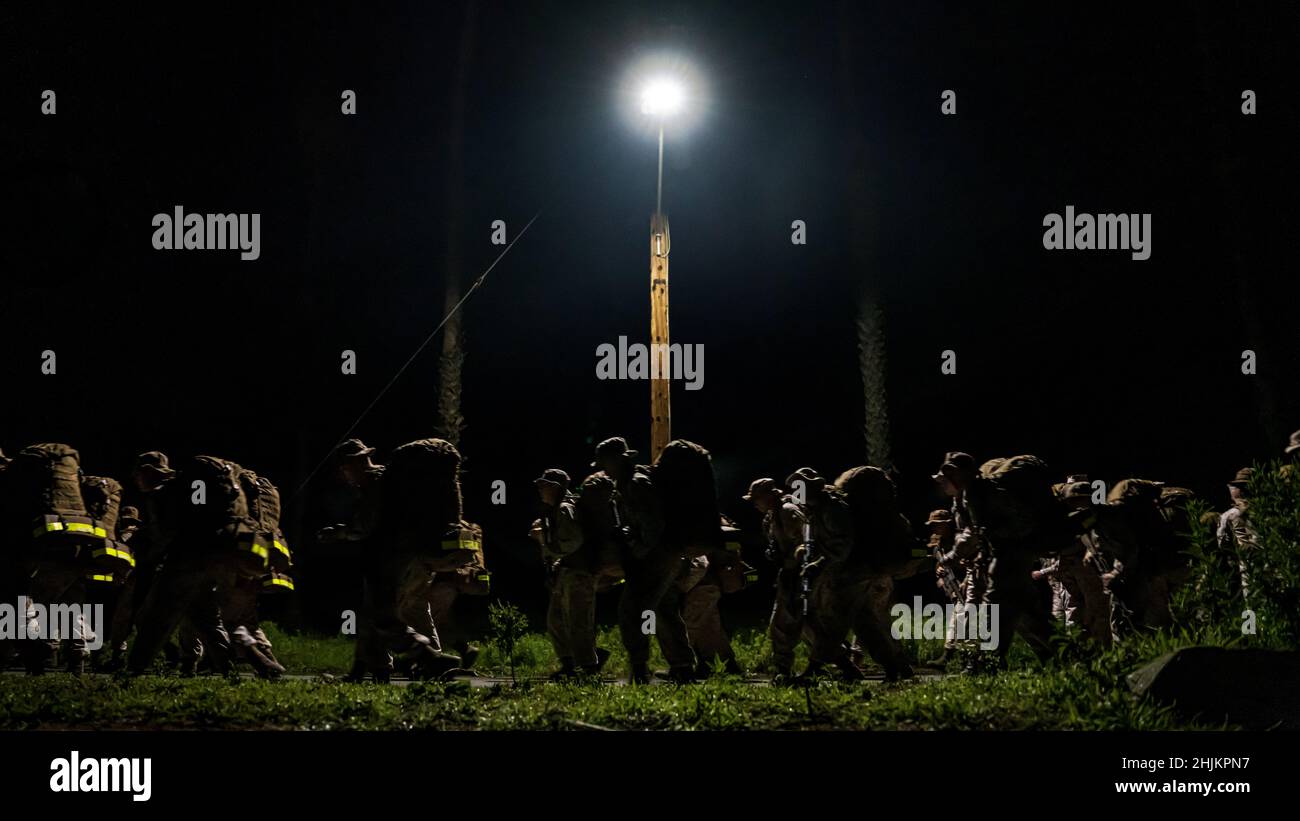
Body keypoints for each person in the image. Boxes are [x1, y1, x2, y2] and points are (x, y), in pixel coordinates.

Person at [318, 438, 460, 683]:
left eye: (345, 467)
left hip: (393, 559)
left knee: (384, 619)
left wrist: (339, 532)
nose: (345, 474)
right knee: (371, 617)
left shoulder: (375, 481)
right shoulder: (391, 479)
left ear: (353, 464)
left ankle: (428, 656)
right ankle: (367, 671)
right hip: (408, 556)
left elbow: (366, 525)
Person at [592, 437, 688, 684]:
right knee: (664, 610)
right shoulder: (626, 485)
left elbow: (653, 527)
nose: (604, 468)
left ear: (618, 461)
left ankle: (640, 669)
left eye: (606, 462)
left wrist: (636, 550)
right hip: (662, 556)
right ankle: (682, 666)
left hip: (655, 558)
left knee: (632, 611)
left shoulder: (637, 485)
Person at [530, 468, 601, 678]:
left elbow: (573, 541)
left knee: (579, 620)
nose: (540, 490)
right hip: (567, 571)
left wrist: (543, 540)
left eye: (544, 485)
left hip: (579, 572)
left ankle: (588, 668)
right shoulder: (554, 510)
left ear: (555, 488)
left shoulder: (564, 510)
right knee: (557, 620)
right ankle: (570, 664)